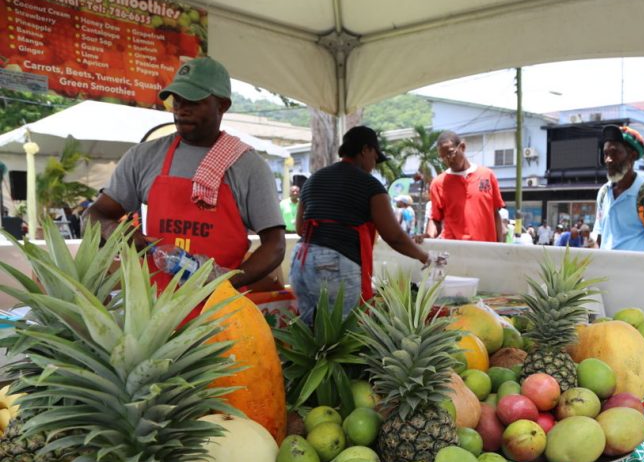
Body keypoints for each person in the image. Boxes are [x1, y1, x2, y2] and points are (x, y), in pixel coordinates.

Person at [85, 56, 285, 295]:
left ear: (222, 105)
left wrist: (225, 283)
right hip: (155, 309)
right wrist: (112, 231)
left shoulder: (248, 166)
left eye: (193, 101)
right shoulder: (143, 157)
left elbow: (274, 245)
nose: (181, 110)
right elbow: (93, 214)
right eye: (177, 101)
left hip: (219, 310)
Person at [290, 125, 432, 323]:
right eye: (375, 157)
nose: (374, 164)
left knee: (309, 332)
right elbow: (394, 236)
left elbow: (300, 228)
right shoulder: (369, 184)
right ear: (366, 150)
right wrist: (425, 257)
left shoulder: (314, 179)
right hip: (334, 263)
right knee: (343, 336)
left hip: (300, 261)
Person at [591, 125, 644, 252]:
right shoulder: (604, 193)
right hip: (606, 270)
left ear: (632, 156)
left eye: (615, 153)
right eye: (606, 154)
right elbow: (600, 238)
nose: (608, 160)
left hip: (636, 271)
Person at [426, 131, 505, 242]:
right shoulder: (438, 183)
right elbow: (435, 219)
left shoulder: (487, 175)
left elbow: (495, 214)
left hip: (486, 249)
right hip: (455, 251)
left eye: (450, 153)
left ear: (462, 147)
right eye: (443, 157)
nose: (448, 160)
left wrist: (500, 248)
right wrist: (428, 237)